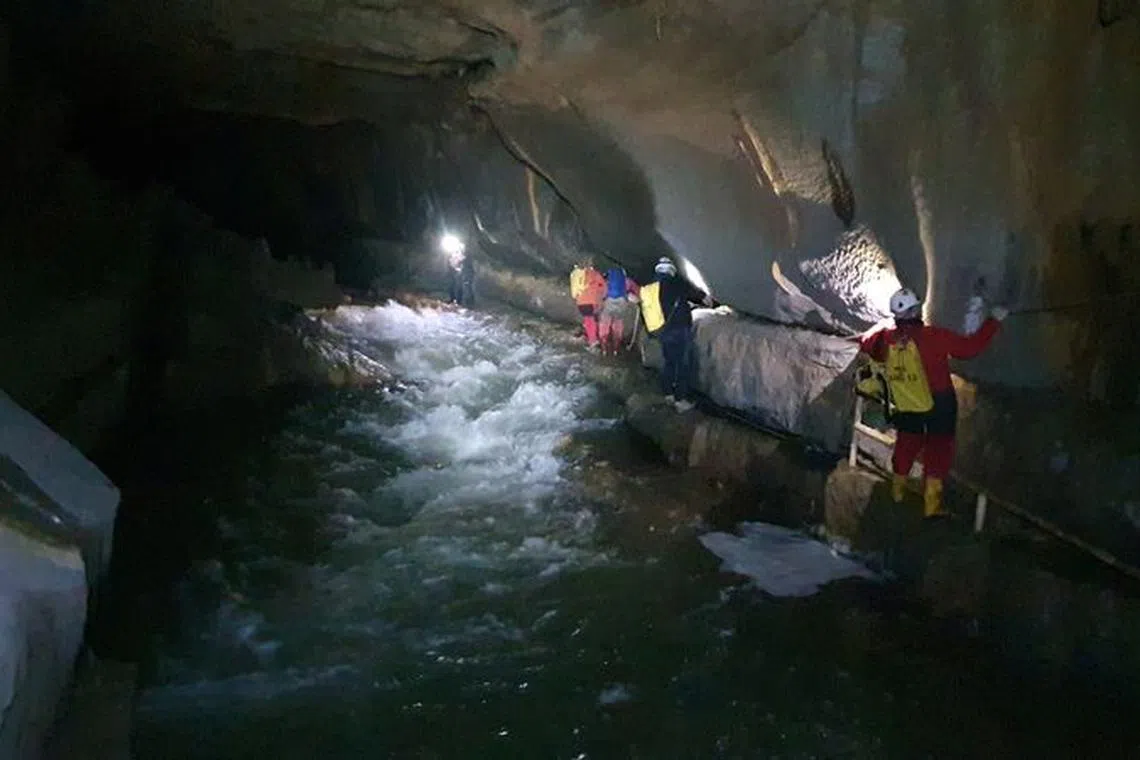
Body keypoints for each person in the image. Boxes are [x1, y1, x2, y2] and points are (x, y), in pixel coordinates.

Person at [855, 287, 1007, 517]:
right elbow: (969, 348)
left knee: (906, 443)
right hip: (940, 401)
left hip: (907, 401)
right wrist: (993, 321)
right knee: (938, 450)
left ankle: (897, 493)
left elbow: (868, 345)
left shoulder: (887, 339)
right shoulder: (935, 336)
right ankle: (930, 506)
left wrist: (870, 335)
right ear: (916, 310)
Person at [640, 256, 711, 412]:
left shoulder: (649, 287)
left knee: (669, 362)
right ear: (671, 270)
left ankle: (668, 394)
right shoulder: (675, 283)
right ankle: (680, 400)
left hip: (661, 331)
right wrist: (706, 298)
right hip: (679, 329)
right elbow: (695, 294)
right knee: (683, 364)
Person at [598, 266, 640, 355]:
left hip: (608, 302)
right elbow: (637, 291)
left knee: (604, 325)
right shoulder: (627, 281)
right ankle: (616, 349)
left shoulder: (607, 281)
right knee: (618, 325)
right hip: (622, 303)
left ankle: (604, 349)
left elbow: (600, 291)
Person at [569, 258, 607, 350]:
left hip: (580, 302)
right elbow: (604, 286)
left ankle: (589, 337)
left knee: (588, 319)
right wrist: (601, 296)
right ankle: (593, 341)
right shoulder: (595, 274)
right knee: (592, 320)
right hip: (592, 302)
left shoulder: (576, 274)